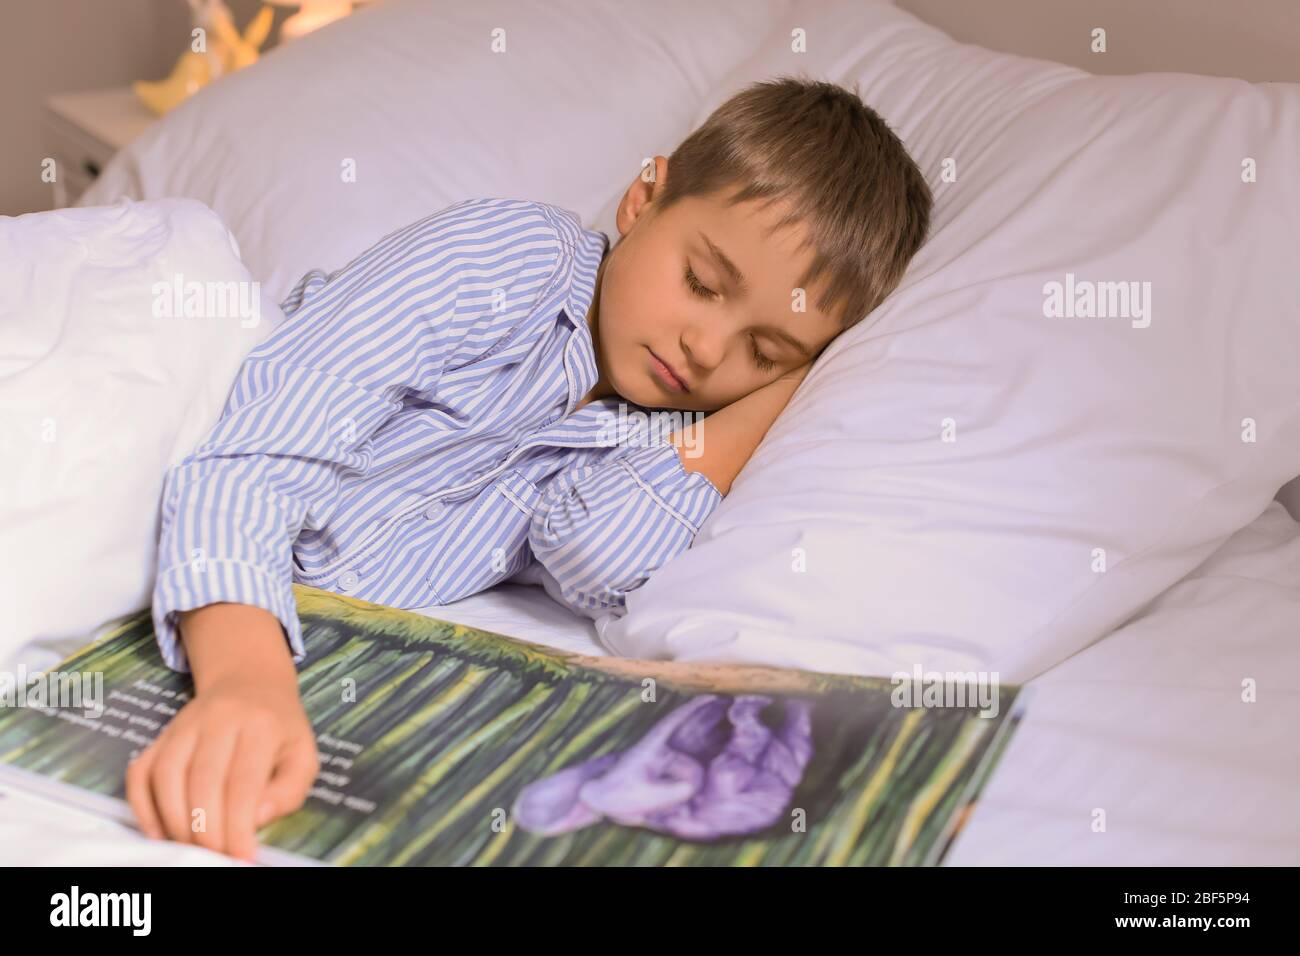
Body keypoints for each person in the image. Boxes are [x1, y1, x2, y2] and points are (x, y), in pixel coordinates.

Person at [126, 76, 933, 860]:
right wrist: (243, 678)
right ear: (644, 199)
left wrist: (780, 393)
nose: (708, 348)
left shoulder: (663, 436)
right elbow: (267, 442)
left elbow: (598, 557)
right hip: (163, 415)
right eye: (701, 283)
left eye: (765, 349)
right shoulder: (507, 260)